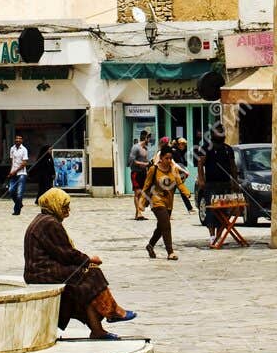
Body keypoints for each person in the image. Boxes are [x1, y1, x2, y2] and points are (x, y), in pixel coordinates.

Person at [23, 189, 137, 339]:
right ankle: (112, 311)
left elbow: (62, 253)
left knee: (86, 287)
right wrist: (88, 260)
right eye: (64, 206)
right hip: (42, 273)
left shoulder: (44, 220)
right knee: (91, 272)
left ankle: (97, 329)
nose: (68, 210)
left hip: (43, 270)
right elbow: (65, 253)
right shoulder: (49, 223)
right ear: (55, 205)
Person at [199, 126, 248, 248]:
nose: (222, 134)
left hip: (225, 184)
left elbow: (233, 166)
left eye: (223, 132)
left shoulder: (228, 149)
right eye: (219, 132)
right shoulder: (206, 148)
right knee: (211, 211)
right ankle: (212, 237)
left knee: (224, 212)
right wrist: (201, 179)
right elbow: (200, 164)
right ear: (213, 134)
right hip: (211, 184)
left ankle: (219, 237)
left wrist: (235, 181)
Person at [140, 145, 189, 259]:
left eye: (170, 158)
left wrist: (186, 192)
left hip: (169, 202)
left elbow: (179, 183)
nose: (169, 161)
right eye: (166, 158)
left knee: (161, 227)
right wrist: (141, 203)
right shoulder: (154, 169)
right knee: (166, 225)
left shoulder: (173, 169)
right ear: (161, 157)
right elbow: (146, 187)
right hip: (156, 201)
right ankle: (170, 252)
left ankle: (150, 245)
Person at [128, 131, 152, 221]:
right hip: (136, 173)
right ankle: (138, 213)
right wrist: (143, 164)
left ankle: (138, 213)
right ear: (145, 138)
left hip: (144, 173)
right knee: (137, 192)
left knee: (143, 193)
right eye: (149, 138)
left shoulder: (145, 148)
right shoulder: (136, 147)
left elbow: (146, 161)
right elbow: (131, 160)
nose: (149, 140)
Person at [169, 135, 194, 214]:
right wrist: (185, 171)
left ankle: (189, 208)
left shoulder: (178, 151)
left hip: (178, 175)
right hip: (175, 175)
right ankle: (168, 211)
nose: (184, 145)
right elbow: (175, 164)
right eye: (182, 144)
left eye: (184, 144)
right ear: (178, 144)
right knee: (171, 193)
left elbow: (180, 163)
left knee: (181, 192)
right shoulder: (175, 151)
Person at [7, 131, 29, 215]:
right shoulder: (12, 148)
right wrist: (10, 172)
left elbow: (24, 163)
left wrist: (15, 171)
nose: (18, 140)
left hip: (21, 174)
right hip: (13, 173)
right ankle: (19, 204)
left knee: (19, 193)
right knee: (11, 190)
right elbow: (12, 161)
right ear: (14, 140)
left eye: (20, 139)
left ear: (22, 140)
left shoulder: (24, 149)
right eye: (17, 138)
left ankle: (17, 210)